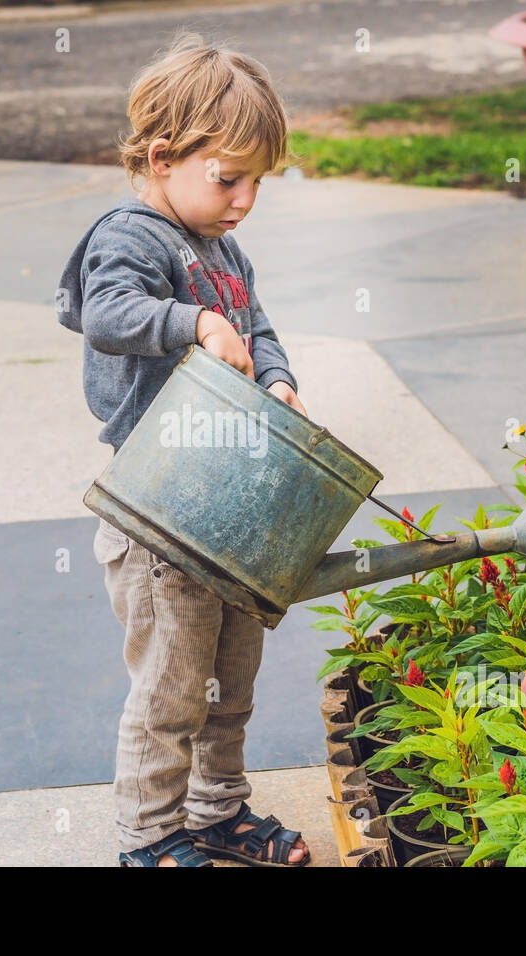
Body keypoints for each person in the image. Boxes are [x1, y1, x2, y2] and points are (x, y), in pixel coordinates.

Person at [55, 31, 312, 867]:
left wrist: (275, 379)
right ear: (163, 158)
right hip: (159, 512)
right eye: (228, 178)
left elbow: (257, 327)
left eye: (256, 183)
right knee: (171, 690)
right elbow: (110, 313)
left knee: (228, 681)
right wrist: (193, 322)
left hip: (225, 501)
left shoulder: (223, 247)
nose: (243, 199)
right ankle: (148, 838)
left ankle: (216, 811)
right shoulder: (129, 236)